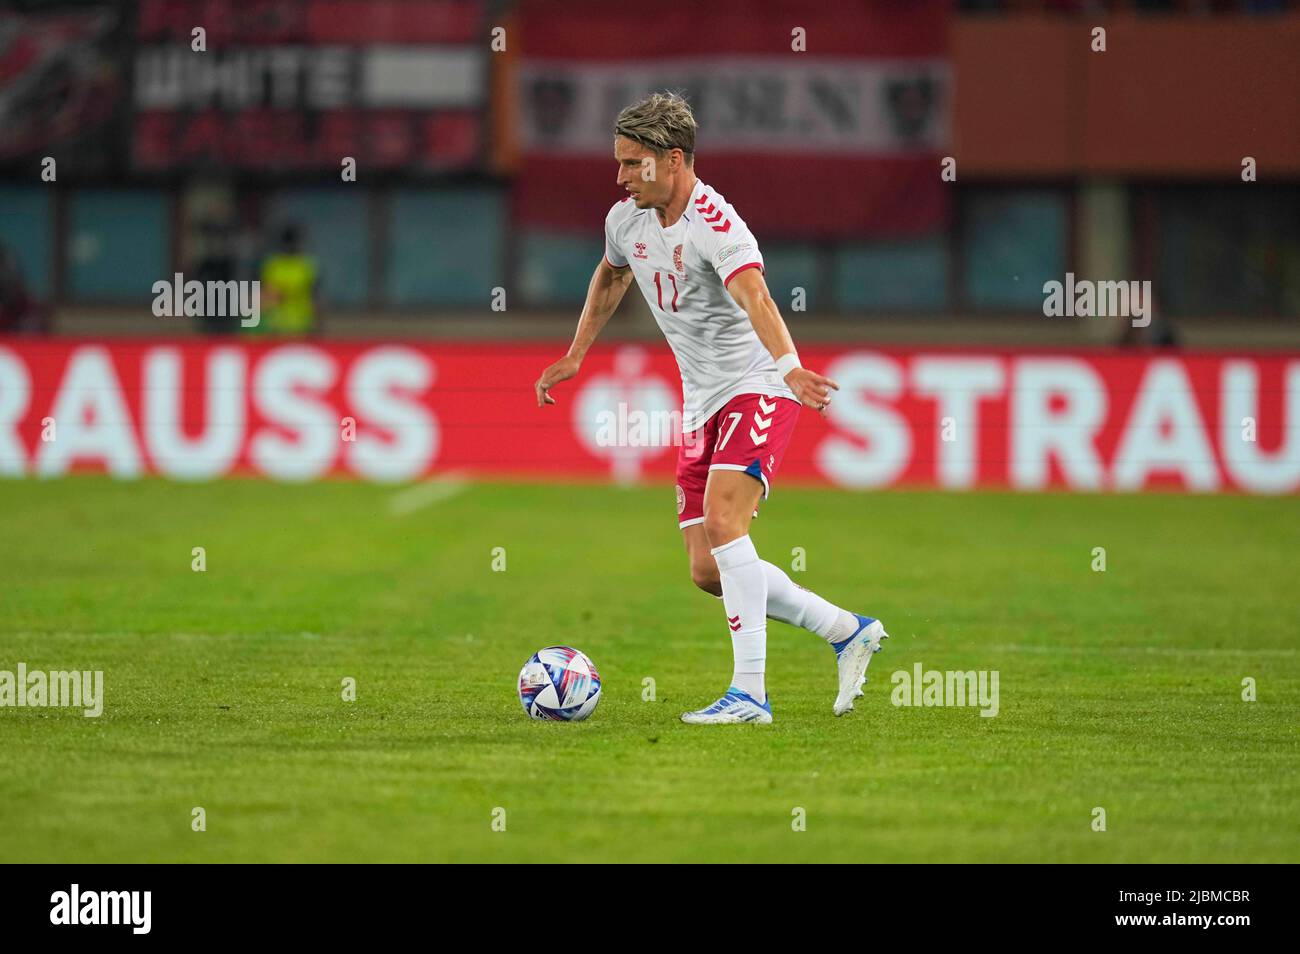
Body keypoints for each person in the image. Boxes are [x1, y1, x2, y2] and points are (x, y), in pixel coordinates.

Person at [533, 92, 889, 725]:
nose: (619, 177)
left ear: (673, 160)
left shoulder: (715, 222)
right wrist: (575, 353)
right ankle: (845, 629)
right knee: (707, 569)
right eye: (616, 162)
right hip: (702, 404)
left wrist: (789, 369)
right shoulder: (627, 219)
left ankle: (749, 695)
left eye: (631, 164)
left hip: (758, 386)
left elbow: (755, 296)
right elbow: (612, 276)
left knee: (728, 526)